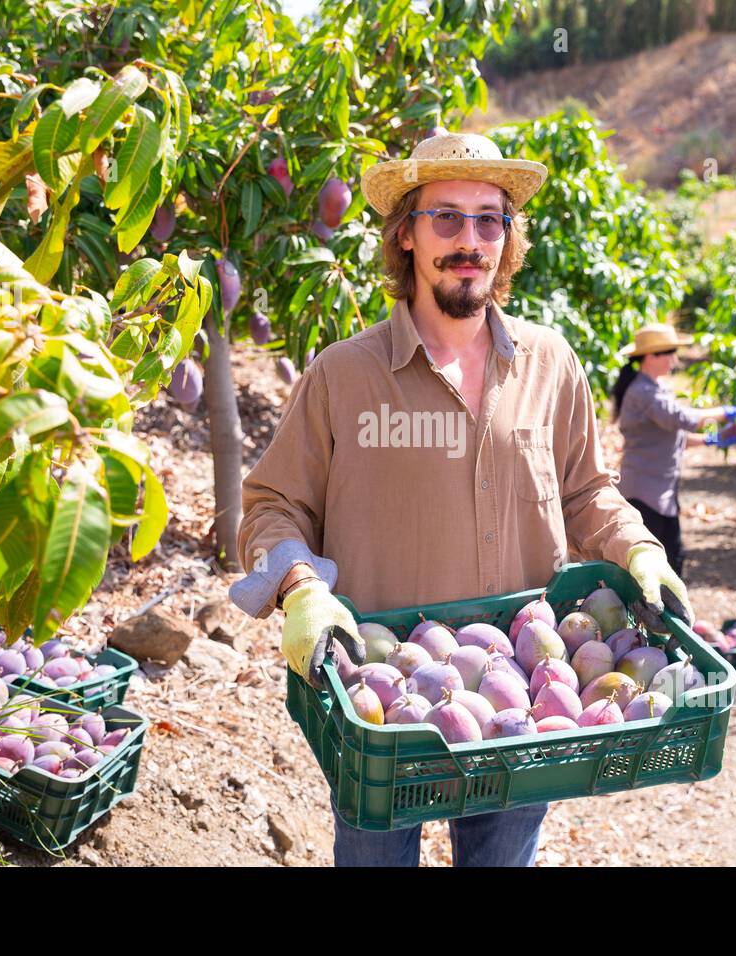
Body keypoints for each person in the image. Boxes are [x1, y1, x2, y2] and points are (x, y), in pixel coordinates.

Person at [228, 131, 694, 867]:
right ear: (406, 234)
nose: (469, 239)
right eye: (445, 217)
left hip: (522, 696)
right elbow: (272, 505)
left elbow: (585, 487)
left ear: (508, 241)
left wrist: (635, 545)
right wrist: (298, 585)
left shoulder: (550, 362)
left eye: (489, 220)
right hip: (384, 710)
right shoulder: (343, 377)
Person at [611, 324, 736, 578]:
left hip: (660, 491)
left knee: (672, 558)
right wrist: (725, 412)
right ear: (651, 357)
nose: (675, 360)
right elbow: (682, 417)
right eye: (670, 353)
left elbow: (672, 437)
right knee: (655, 565)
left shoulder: (654, 388)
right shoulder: (643, 393)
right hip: (644, 493)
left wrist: (713, 439)